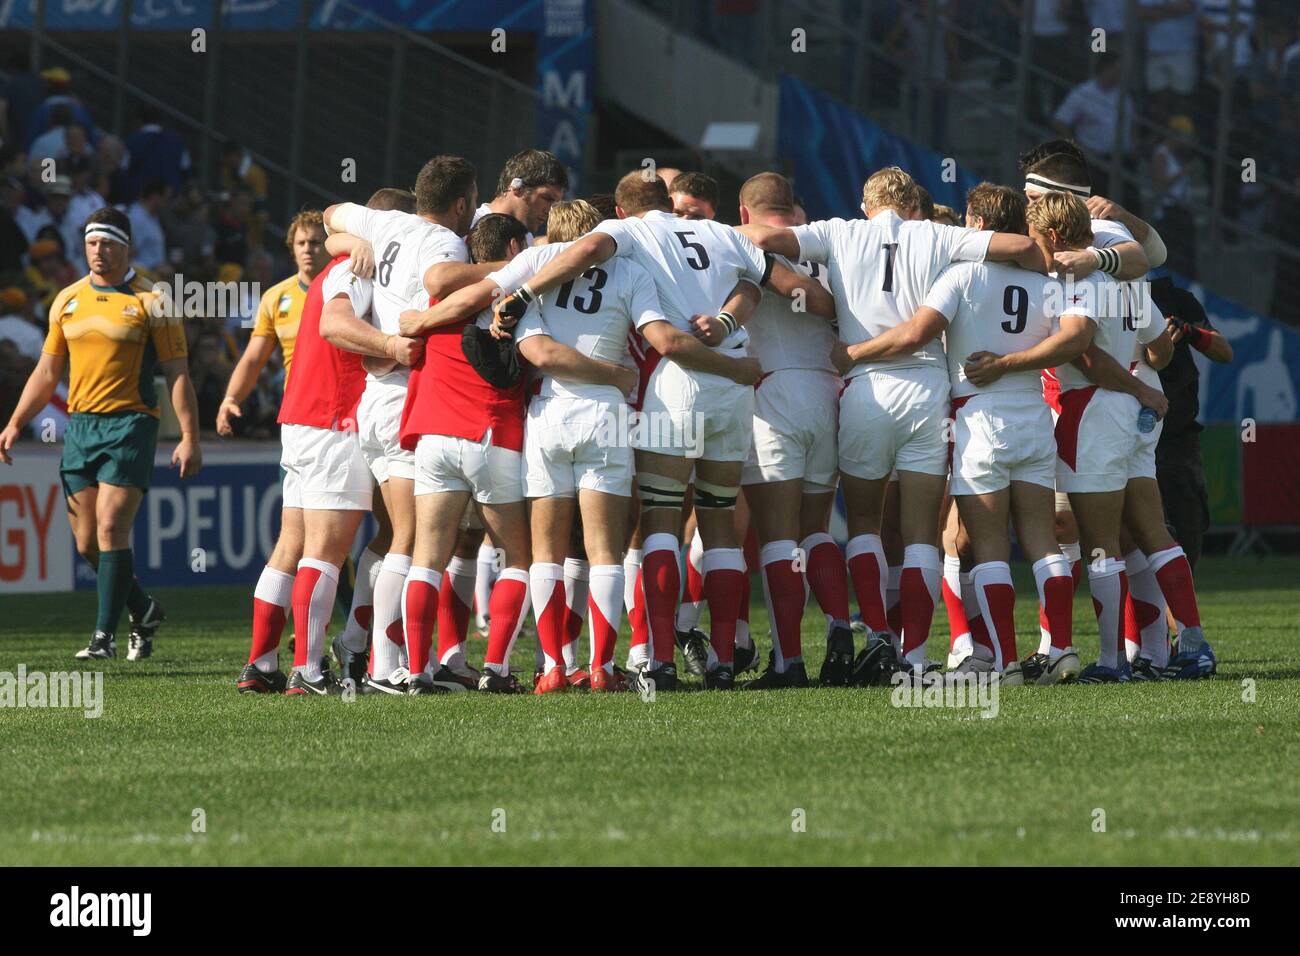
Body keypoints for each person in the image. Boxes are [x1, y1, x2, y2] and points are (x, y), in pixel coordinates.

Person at [742, 166, 1048, 684]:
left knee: (863, 525)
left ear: (867, 205)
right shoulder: (937, 233)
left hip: (866, 388)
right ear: (912, 207)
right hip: (928, 390)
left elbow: (763, 235)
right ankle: (915, 656)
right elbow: (1021, 247)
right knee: (921, 535)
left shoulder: (841, 231)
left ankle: (878, 634)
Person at [0, 207, 202, 660]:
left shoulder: (153, 299)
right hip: (82, 426)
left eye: (108, 243)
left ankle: (103, 639)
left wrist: (190, 435)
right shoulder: (67, 299)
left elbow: (177, 373)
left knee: (112, 528)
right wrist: (14, 421)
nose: (99, 251)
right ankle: (143, 609)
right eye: (92, 243)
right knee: (87, 543)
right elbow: (47, 371)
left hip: (131, 424)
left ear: (126, 246)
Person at [733, 172, 850, 689]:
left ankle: (788, 663)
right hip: (827, 390)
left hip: (774, 389)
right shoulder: (826, 242)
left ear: (745, 212)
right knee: (818, 528)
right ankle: (840, 626)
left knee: (779, 536)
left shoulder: (740, 242)